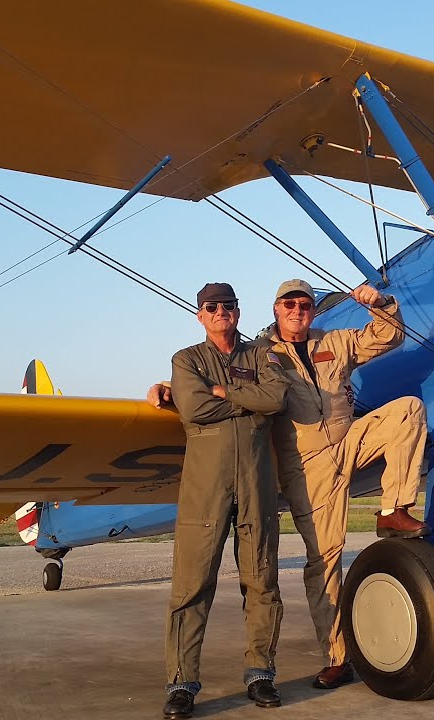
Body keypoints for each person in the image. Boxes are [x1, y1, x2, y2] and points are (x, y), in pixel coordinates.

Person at [263, 278, 429, 691]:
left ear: (312, 310)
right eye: (289, 303)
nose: (297, 309)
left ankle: (394, 510)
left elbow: (387, 336)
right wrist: (173, 390)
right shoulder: (260, 355)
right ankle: (337, 658)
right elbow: (225, 377)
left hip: (348, 439)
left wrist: (382, 303)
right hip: (307, 465)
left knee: (408, 409)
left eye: (304, 303)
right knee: (324, 561)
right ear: (276, 309)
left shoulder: (334, 341)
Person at [157, 282, 289, 720]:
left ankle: (260, 673)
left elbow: (275, 397)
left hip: (255, 482)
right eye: (211, 307)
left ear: (237, 311)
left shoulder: (261, 353)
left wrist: (221, 393)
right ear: (200, 314)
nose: (220, 312)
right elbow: (193, 409)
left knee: (262, 579)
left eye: (228, 306)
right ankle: (181, 683)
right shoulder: (186, 359)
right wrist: (244, 402)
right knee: (192, 584)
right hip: (206, 486)